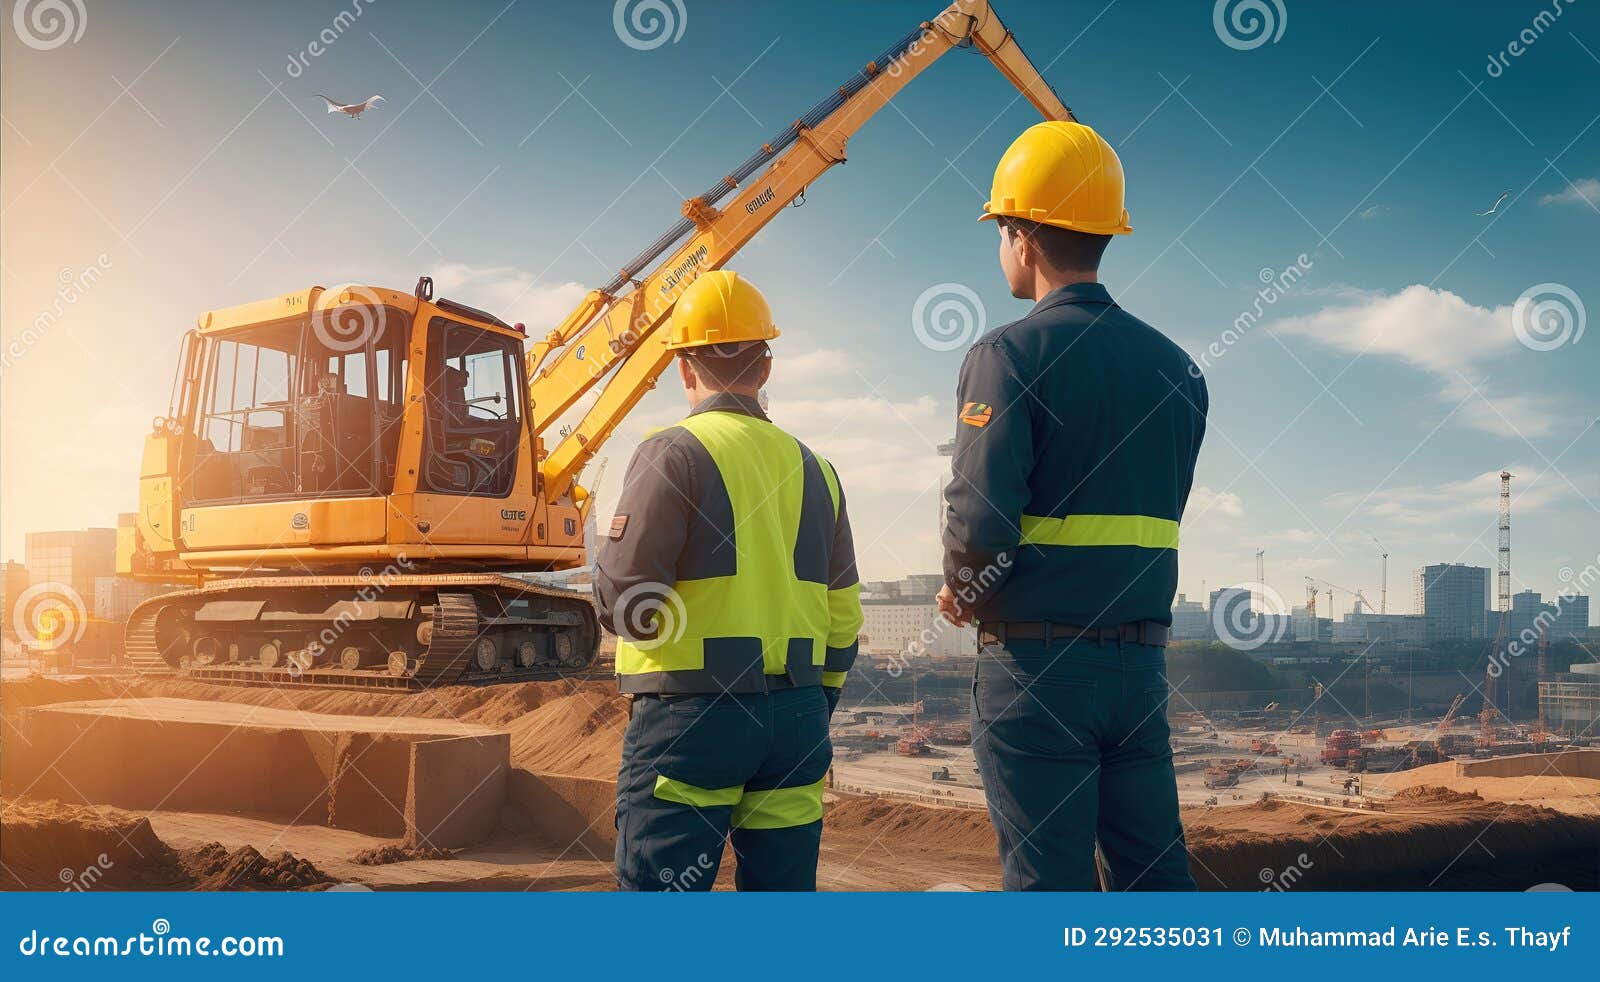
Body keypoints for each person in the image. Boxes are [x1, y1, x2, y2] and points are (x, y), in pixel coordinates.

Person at [937, 120, 1208, 891]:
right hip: (1138, 669)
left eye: (1000, 230)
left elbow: (980, 519)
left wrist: (963, 585)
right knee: (1156, 881)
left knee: (1049, 889)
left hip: (1037, 670)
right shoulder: (1178, 370)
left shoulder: (1006, 356)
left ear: (1022, 237)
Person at [594, 270, 863, 891]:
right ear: (765, 367)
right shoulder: (818, 471)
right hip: (796, 717)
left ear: (683, 369)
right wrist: (814, 703)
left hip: (692, 716)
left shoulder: (673, 454)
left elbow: (627, 601)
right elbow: (844, 615)